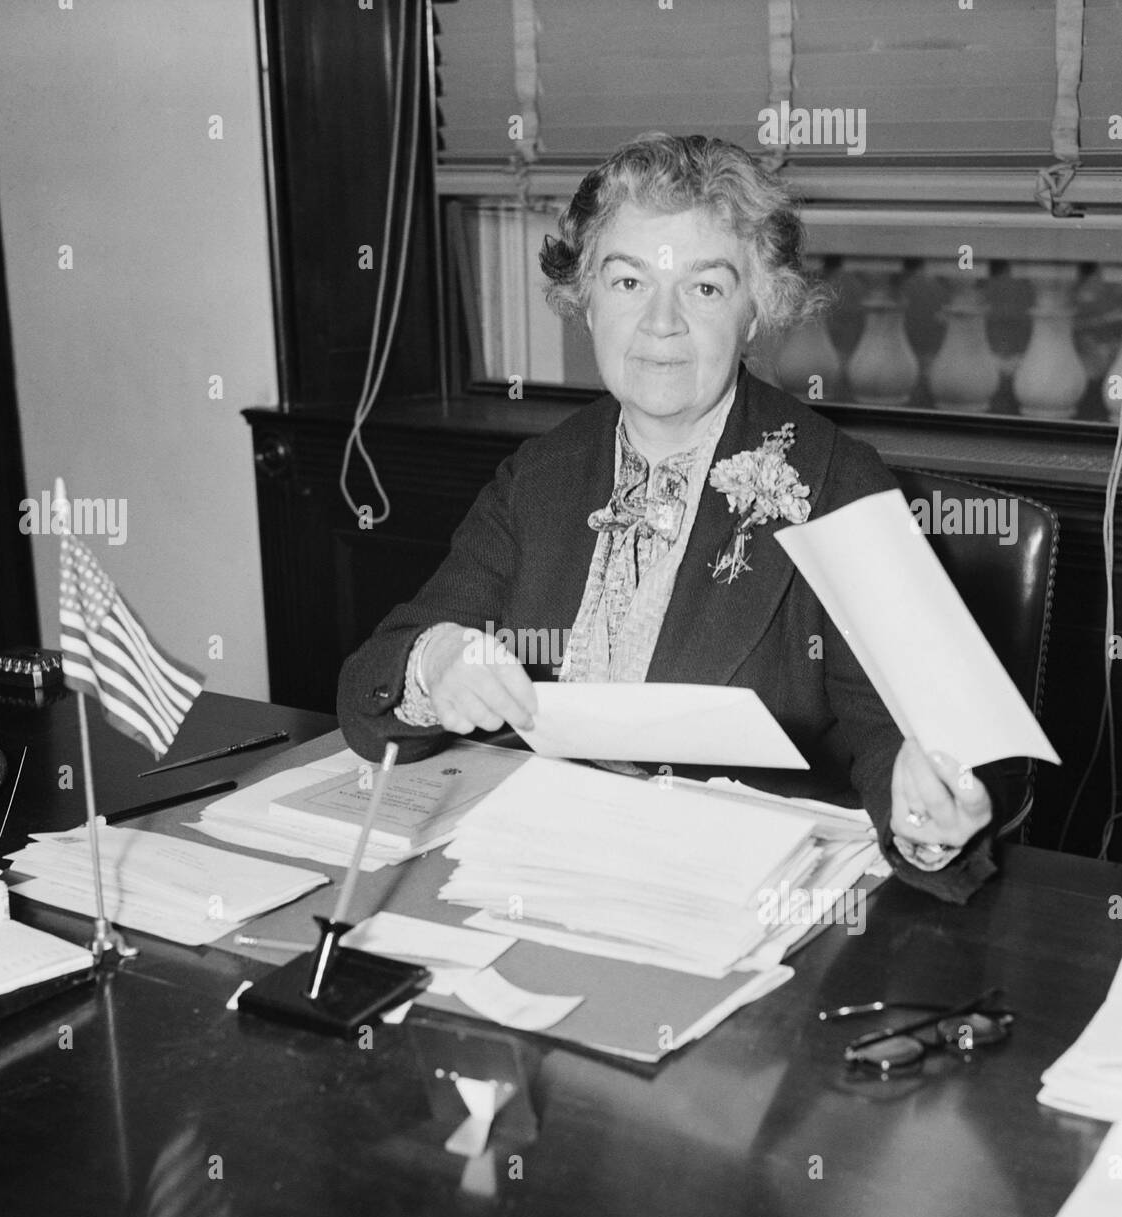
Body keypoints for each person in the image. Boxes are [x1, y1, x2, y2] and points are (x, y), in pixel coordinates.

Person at [338, 133, 1001, 902]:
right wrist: (434, 664)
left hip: (736, 894)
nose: (660, 322)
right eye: (628, 281)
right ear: (584, 298)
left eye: (704, 288)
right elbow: (371, 687)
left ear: (756, 310)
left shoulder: (834, 481)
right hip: (535, 874)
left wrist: (926, 819)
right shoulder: (539, 477)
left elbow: (894, 738)